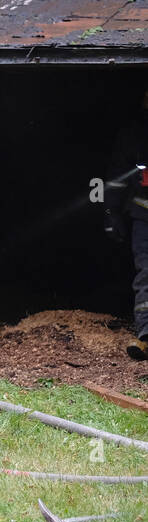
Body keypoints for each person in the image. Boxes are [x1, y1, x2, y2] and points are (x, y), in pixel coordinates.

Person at [104, 88, 148, 359]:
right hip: (144, 219)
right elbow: (118, 177)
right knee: (146, 276)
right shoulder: (134, 136)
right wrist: (111, 212)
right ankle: (146, 336)